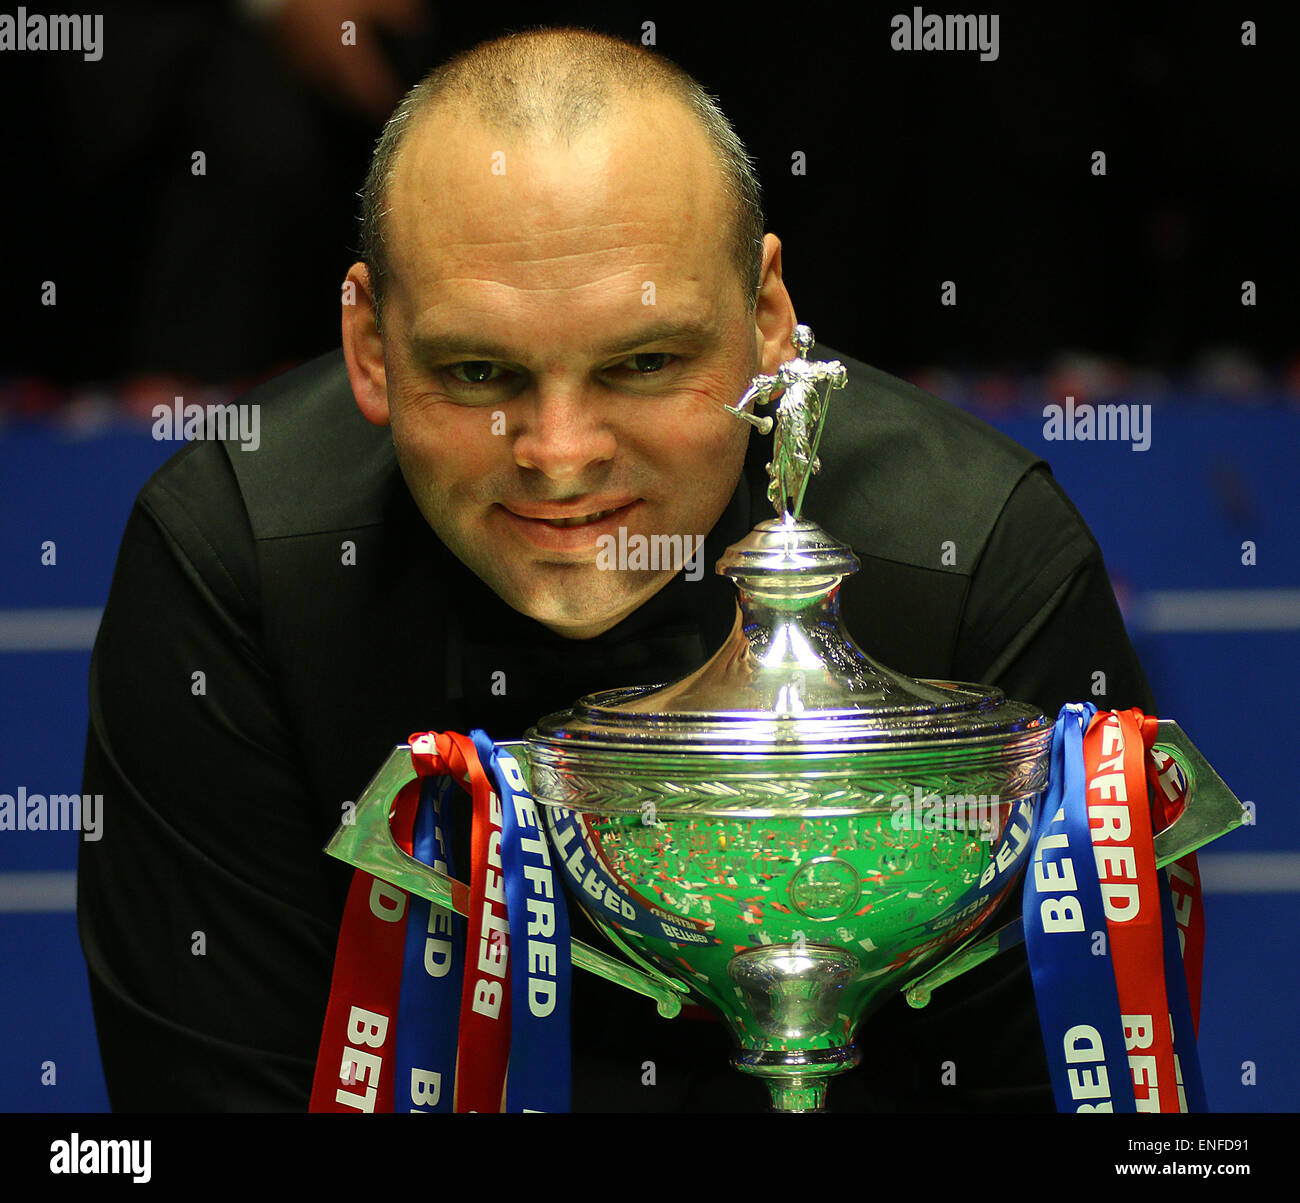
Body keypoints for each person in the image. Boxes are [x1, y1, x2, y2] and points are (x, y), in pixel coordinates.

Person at [78, 27, 1155, 1112]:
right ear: (368, 347)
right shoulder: (235, 556)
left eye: (643, 363)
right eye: (478, 370)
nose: (560, 456)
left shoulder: (971, 557)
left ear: (767, 317)